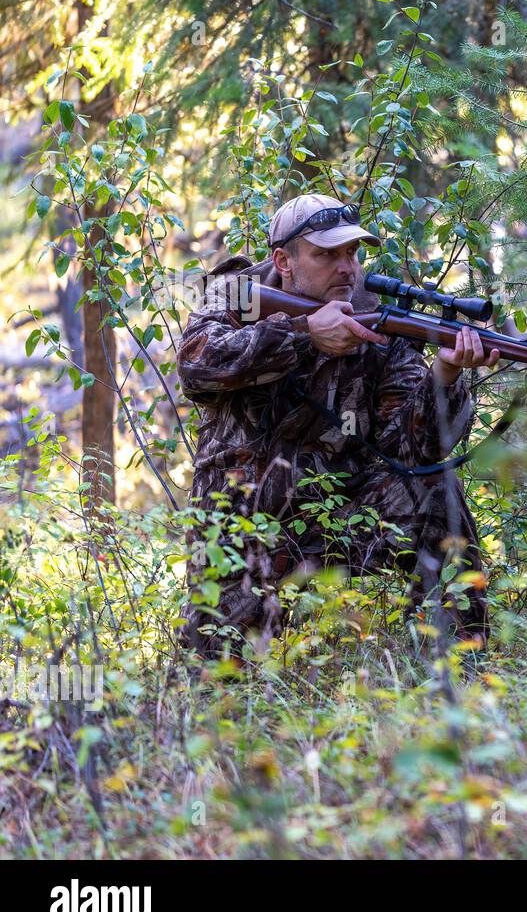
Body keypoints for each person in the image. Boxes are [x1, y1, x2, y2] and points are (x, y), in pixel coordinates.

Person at [177, 193, 498, 660]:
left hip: (342, 519)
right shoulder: (238, 297)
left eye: (351, 252)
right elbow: (197, 367)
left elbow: (414, 449)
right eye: (326, 254)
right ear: (282, 260)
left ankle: (458, 666)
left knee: (435, 491)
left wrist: (444, 376)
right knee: (220, 680)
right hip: (241, 526)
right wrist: (304, 334)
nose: (346, 267)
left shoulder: (379, 322)